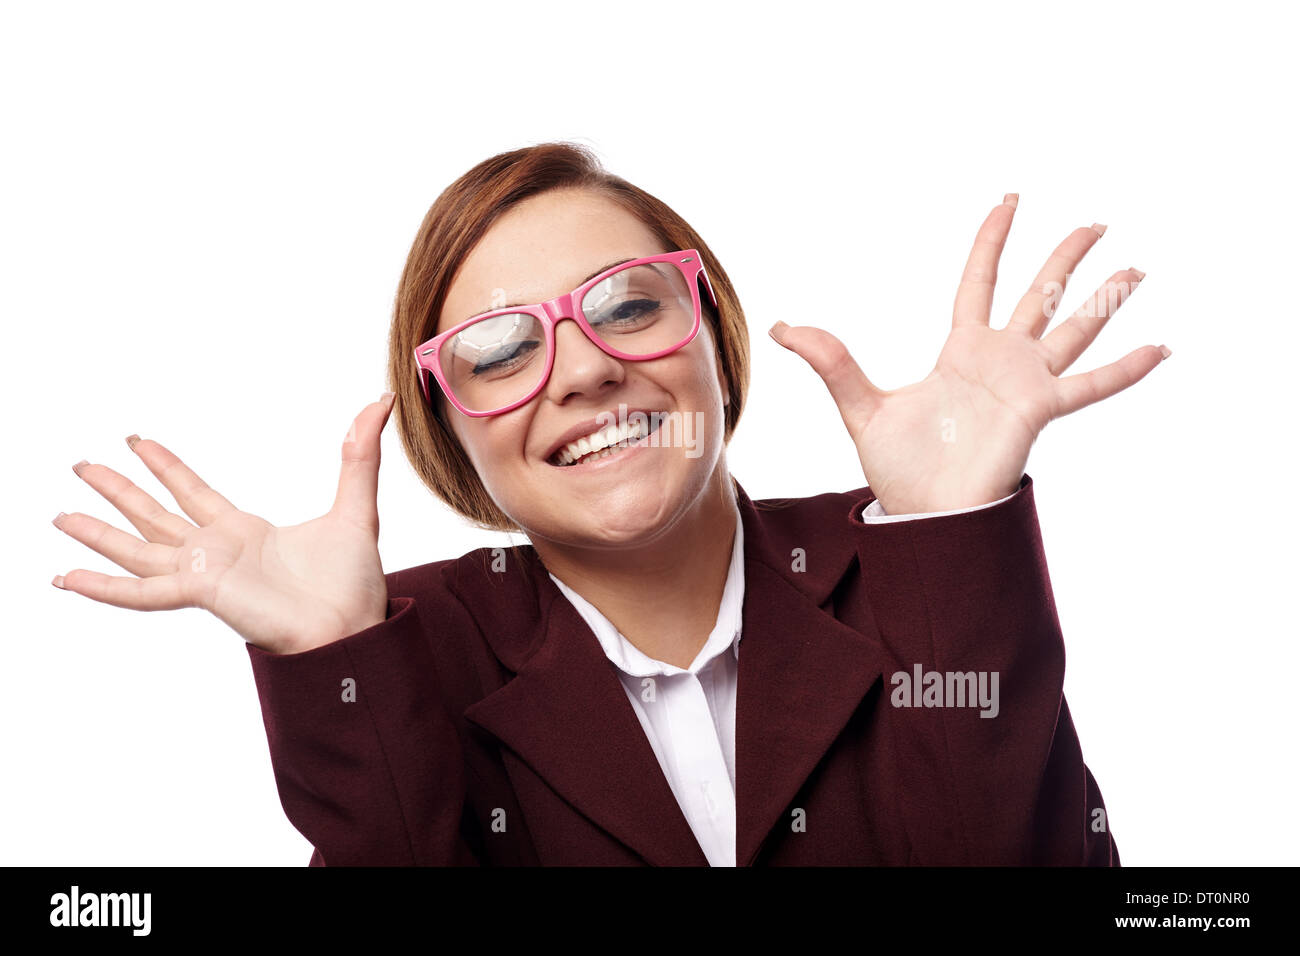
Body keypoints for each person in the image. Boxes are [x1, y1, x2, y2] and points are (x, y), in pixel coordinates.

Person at [50, 142, 1167, 866]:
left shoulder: (905, 566)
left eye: (628, 305)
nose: (580, 371)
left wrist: (946, 539)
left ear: (712, 336)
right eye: (499, 350)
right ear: (451, 430)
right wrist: (337, 668)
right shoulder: (407, 652)